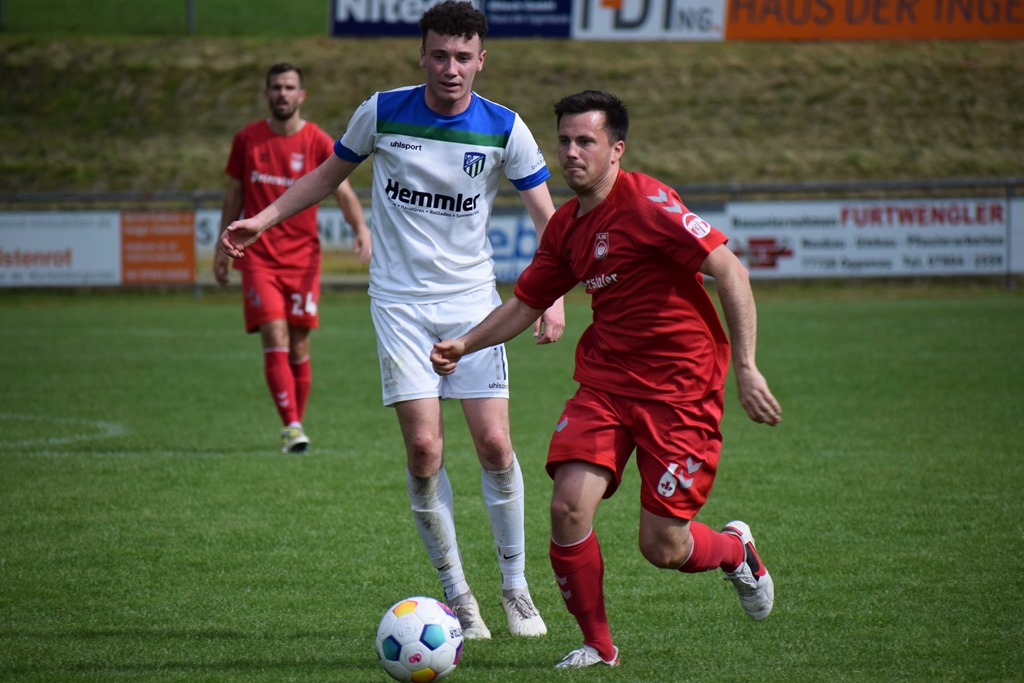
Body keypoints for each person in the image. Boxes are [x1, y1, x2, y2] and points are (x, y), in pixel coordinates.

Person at [218, 2, 564, 639]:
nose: (450, 68)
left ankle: (515, 587)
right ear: (421, 55)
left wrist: (551, 296)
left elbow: (549, 218)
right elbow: (326, 178)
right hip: (400, 304)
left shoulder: (506, 128)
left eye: (463, 57)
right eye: (439, 55)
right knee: (426, 449)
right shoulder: (381, 111)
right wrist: (260, 221)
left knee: (494, 445)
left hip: (474, 304)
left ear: (482, 59)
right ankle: (459, 596)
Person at [431, 90, 783, 668]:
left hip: (681, 391)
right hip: (607, 384)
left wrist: (745, 365)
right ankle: (599, 646)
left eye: (585, 141)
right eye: (564, 141)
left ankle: (733, 550)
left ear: (615, 150)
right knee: (568, 508)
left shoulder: (648, 204)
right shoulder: (567, 227)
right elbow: (525, 303)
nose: (571, 152)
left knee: (662, 546)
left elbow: (729, 269)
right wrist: (466, 343)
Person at [214, 62, 371, 454]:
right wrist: (223, 247)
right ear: (266, 94)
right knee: (275, 334)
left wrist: (360, 229)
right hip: (259, 258)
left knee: (300, 346)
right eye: (276, 87)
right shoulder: (247, 140)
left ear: (301, 95)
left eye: (289, 87)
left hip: (303, 260)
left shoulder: (317, 140)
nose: (282, 93)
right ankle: (292, 426)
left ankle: (295, 425)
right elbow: (234, 196)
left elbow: (344, 192)